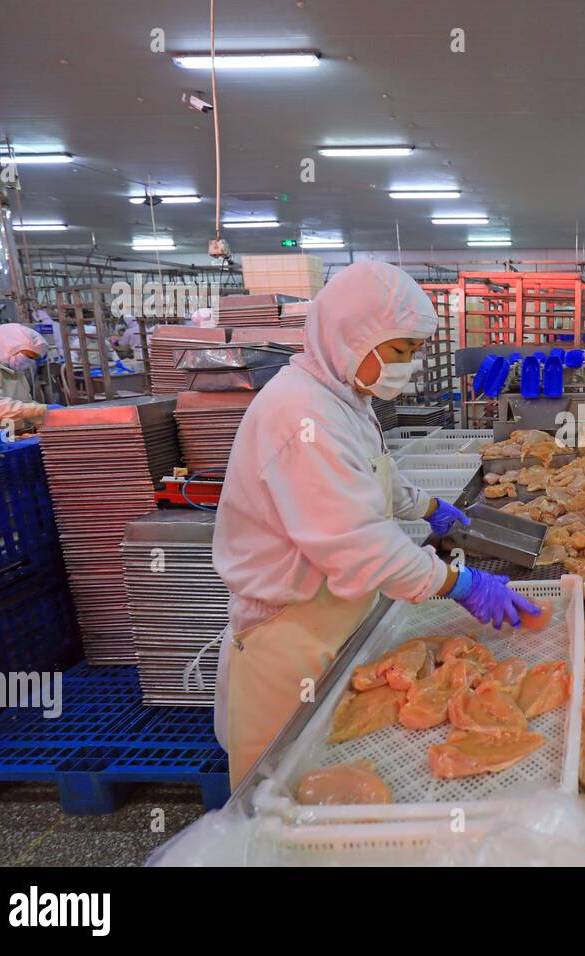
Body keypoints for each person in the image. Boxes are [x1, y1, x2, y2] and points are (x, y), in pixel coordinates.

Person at [212, 261, 538, 786]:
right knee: (282, 794)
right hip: (288, 632)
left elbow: (368, 479)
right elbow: (355, 542)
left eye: (414, 353)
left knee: (340, 775)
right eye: (400, 351)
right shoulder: (302, 414)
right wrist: (459, 583)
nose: (407, 367)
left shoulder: (343, 398)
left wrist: (428, 507)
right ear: (350, 337)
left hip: (334, 613)